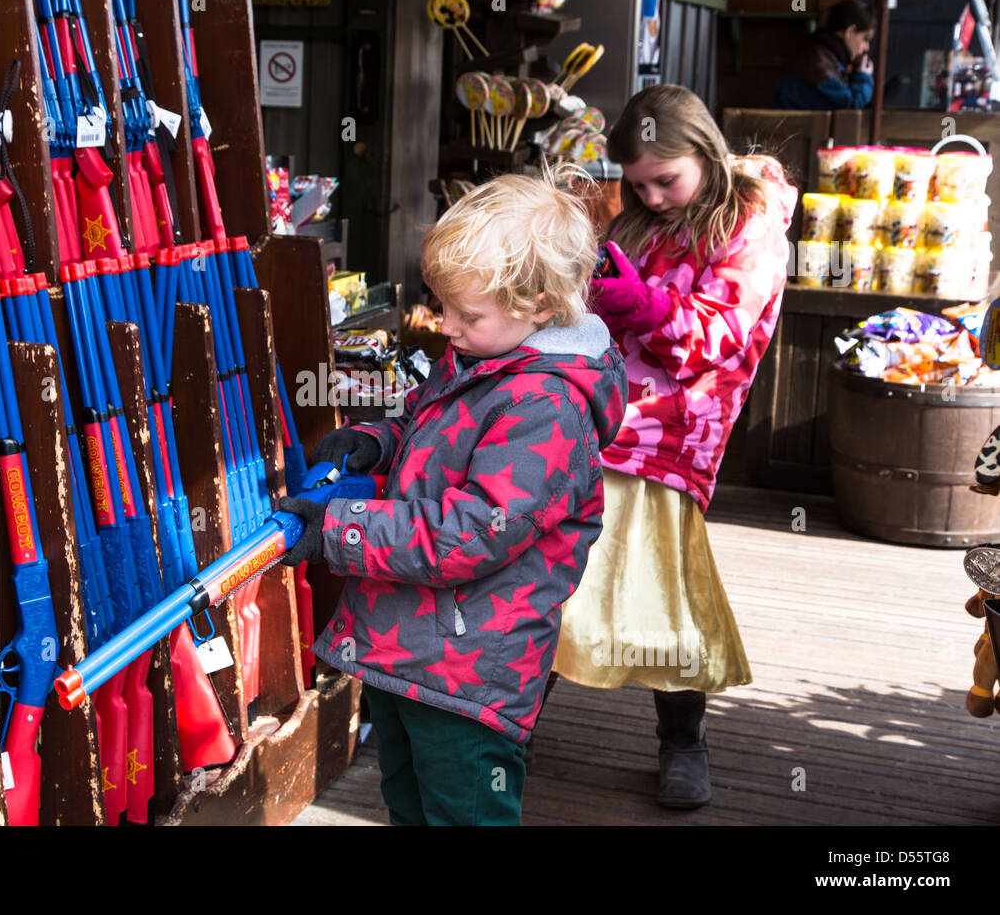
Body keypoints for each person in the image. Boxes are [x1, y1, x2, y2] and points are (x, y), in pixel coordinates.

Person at [277, 171, 627, 825]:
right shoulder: (483, 358)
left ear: (542, 306)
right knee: (407, 798)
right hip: (412, 647)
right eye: (442, 306)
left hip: (469, 668)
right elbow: (426, 423)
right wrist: (377, 443)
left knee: (465, 809)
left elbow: (467, 536)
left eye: (466, 314)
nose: (446, 327)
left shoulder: (544, 407)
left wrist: (334, 530)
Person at [551, 83, 797, 808]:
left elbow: (718, 337)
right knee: (555, 570)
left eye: (667, 179)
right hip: (600, 417)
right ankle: (507, 725)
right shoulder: (639, 222)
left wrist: (637, 302)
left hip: (676, 428)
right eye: (638, 184)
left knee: (659, 591)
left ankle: (681, 738)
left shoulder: (751, 224)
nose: (653, 196)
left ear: (706, 152)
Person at [772, 0, 874, 110]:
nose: (866, 47)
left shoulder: (823, 55)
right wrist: (863, 77)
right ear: (850, 32)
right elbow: (849, 107)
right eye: (866, 39)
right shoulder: (818, 62)